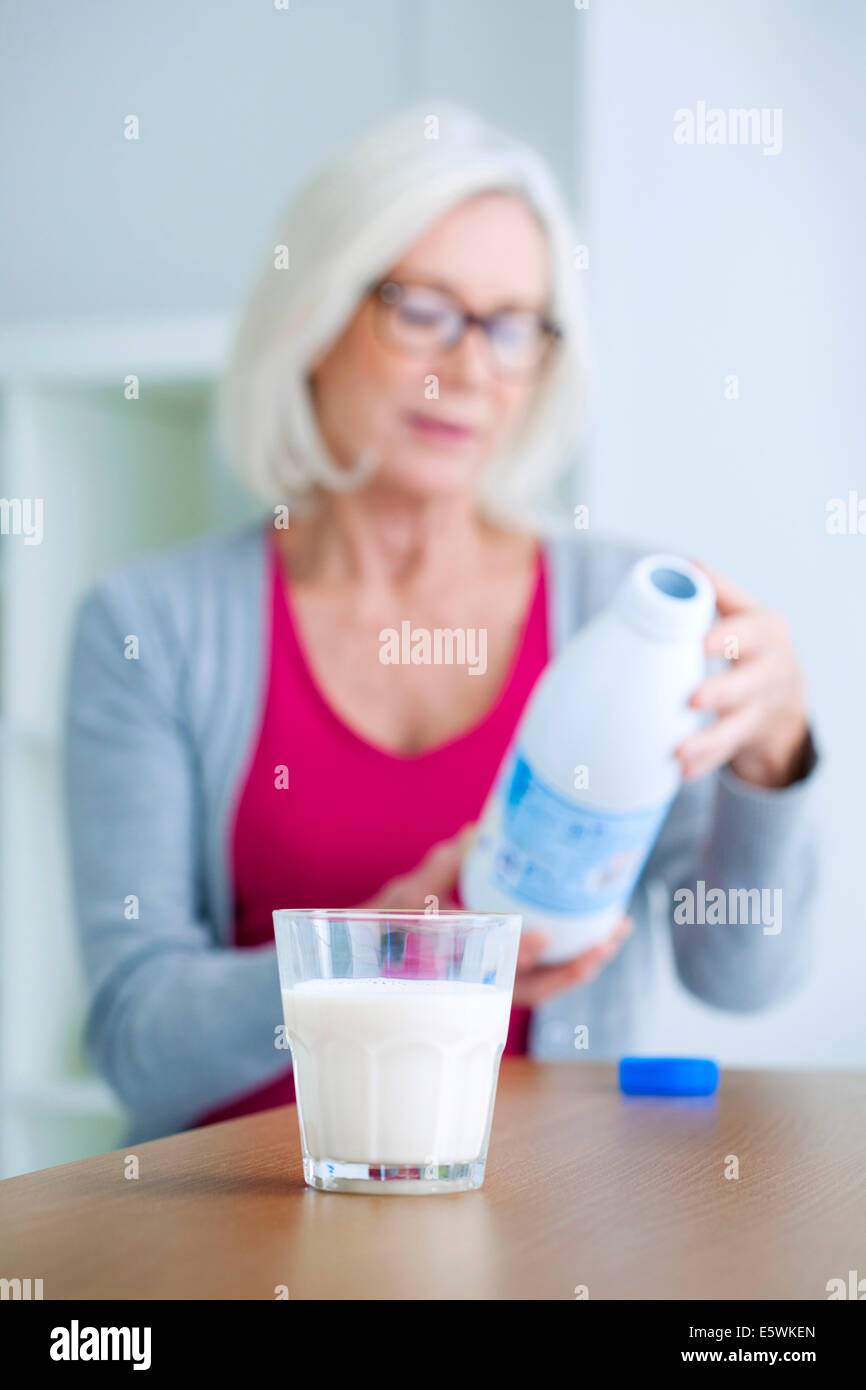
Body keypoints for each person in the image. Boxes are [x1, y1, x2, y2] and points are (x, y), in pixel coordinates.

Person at [64, 104, 819, 1144]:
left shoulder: (618, 612)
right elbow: (137, 1038)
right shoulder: (149, 625)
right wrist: (391, 951)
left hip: (558, 1233)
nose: (468, 368)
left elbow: (740, 977)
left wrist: (772, 760)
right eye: (422, 309)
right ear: (314, 323)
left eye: (513, 324)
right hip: (244, 1231)